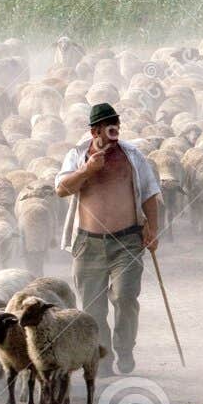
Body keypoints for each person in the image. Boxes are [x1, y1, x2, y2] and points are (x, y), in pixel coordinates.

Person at [54, 102, 161, 376]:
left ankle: (125, 348)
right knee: (92, 308)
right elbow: (61, 189)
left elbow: (150, 192)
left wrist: (153, 228)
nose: (115, 132)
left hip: (127, 241)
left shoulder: (132, 155)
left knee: (126, 296)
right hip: (87, 244)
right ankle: (102, 357)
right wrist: (88, 170)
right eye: (109, 127)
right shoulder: (77, 155)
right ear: (95, 131)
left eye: (117, 126)